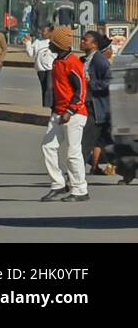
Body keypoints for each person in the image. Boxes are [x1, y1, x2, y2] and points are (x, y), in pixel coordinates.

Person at [40, 26, 88, 202]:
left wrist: (70, 111)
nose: (49, 45)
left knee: (73, 152)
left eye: (52, 42)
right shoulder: (57, 61)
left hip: (74, 114)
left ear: (60, 45)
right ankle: (58, 184)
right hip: (58, 112)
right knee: (48, 146)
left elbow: (81, 91)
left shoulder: (73, 63)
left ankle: (80, 189)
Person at [81, 30, 113, 176]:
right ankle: (94, 167)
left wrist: (92, 83)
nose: (82, 42)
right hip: (88, 106)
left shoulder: (99, 60)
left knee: (85, 143)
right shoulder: (84, 59)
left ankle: (76, 176)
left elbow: (109, 81)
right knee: (100, 141)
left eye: (85, 40)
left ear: (94, 44)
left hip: (97, 108)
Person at [24, 23, 55, 108]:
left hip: (51, 68)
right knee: (44, 87)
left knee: (49, 87)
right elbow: (30, 53)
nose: (42, 33)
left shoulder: (54, 42)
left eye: (44, 31)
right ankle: (45, 105)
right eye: (42, 31)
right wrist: (28, 43)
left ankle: (50, 105)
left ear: (50, 32)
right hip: (40, 69)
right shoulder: (38, 42)